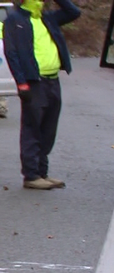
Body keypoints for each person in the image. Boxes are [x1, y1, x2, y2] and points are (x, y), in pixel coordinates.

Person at [2, 0, 80, 190]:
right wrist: (21, 83)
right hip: (34, 82)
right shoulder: (15, 20)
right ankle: (31, 175)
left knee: (48, 127)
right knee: (32, 127)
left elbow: (73, 12)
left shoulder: (47, 18)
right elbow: (11, 53)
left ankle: (42, 172)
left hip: (53, 80)